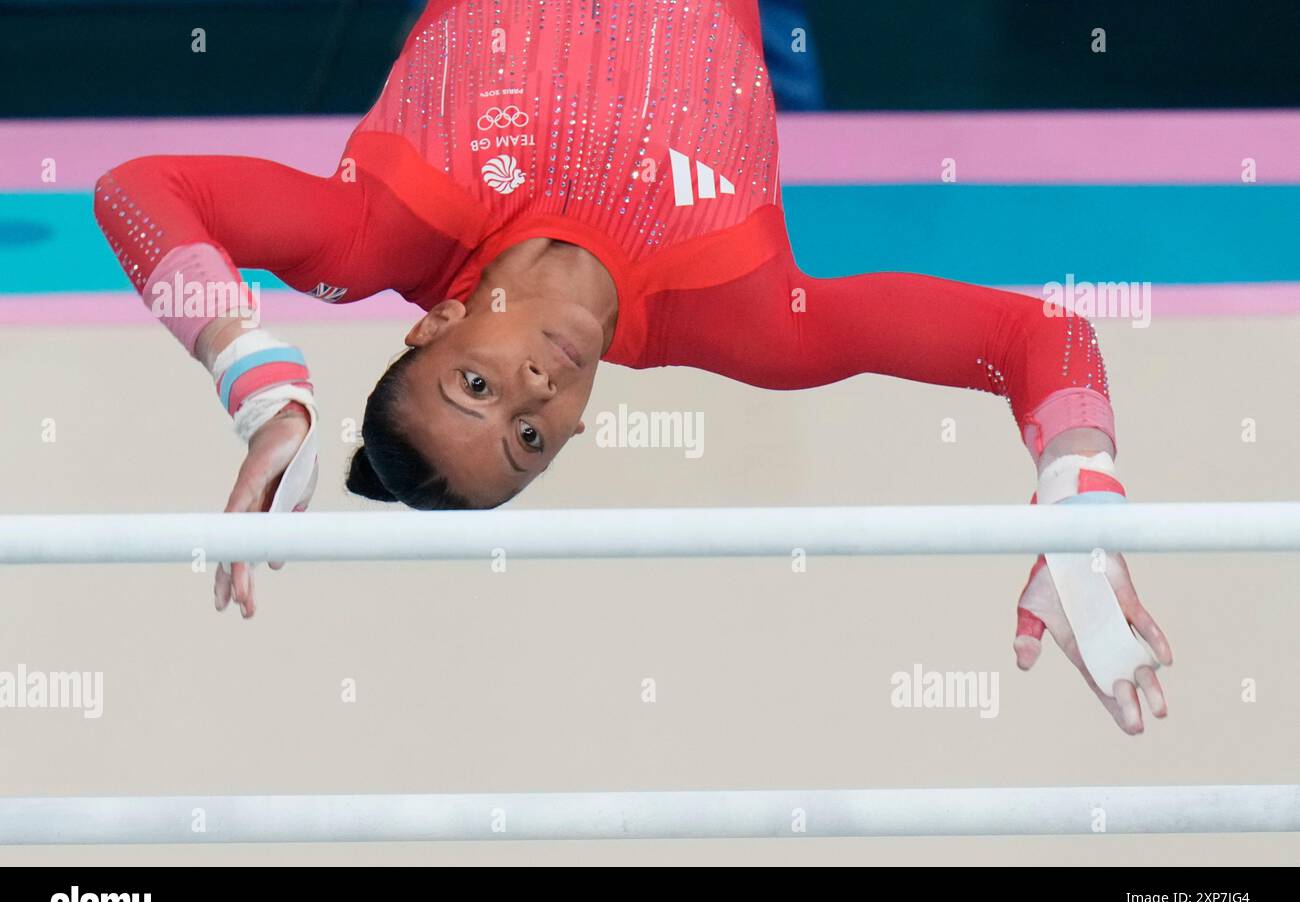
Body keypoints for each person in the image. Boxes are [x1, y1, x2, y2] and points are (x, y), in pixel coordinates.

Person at [94, 0, 1170, 732]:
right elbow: (1045, 338)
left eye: (478, 384)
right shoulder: (749, 319)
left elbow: (137, 187)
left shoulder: (385, 231)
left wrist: (260, 388)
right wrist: (1078, 501)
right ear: (570, 439)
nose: (531, 392)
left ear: (435, 325)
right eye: (525, 439)